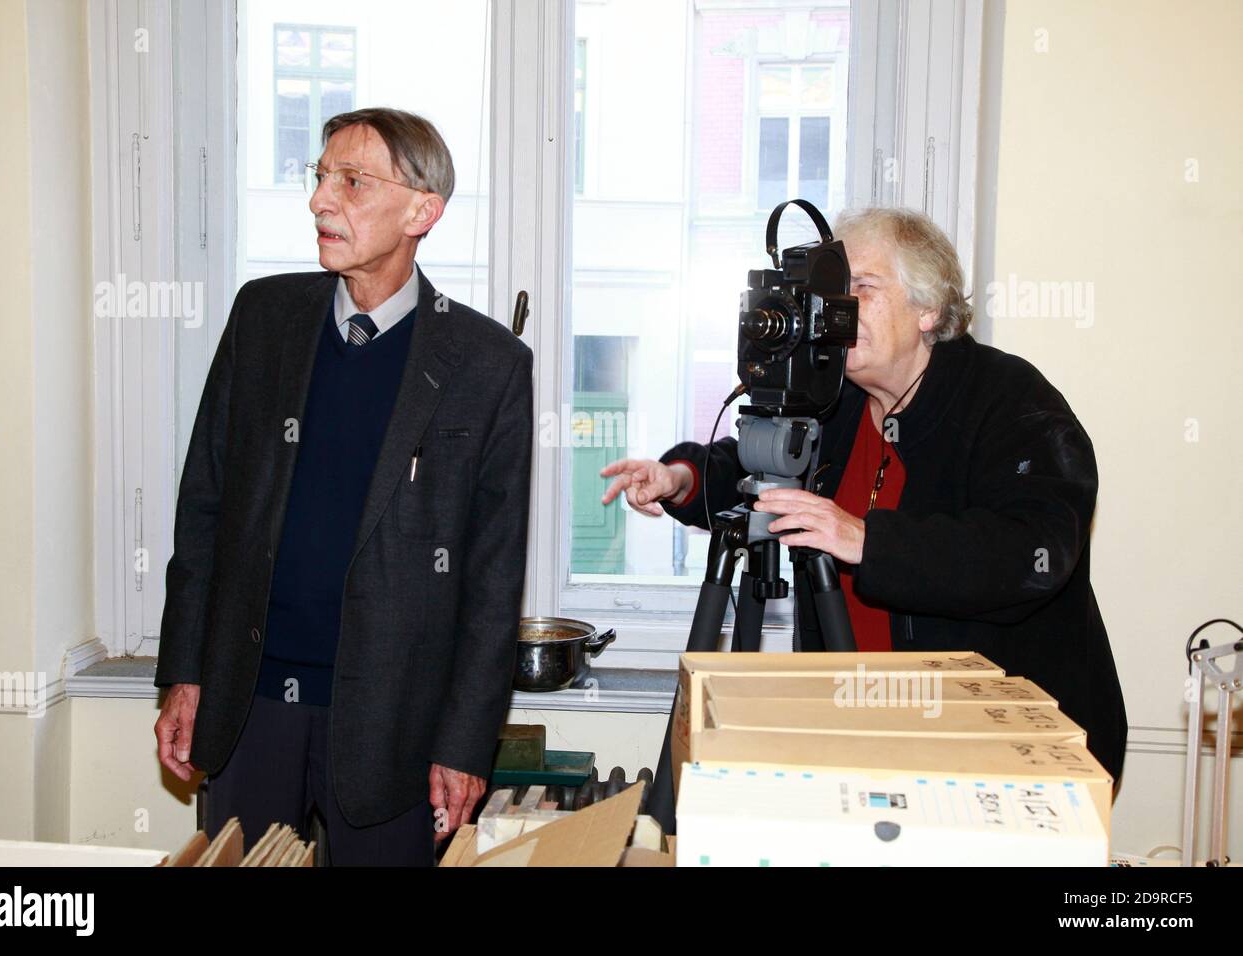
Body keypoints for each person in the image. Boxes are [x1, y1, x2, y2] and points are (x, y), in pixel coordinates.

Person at [601, 206, 1127, 788]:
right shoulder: (839, 397)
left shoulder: (1010, 402)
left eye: (862, 288)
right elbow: (763, 464)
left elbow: (1033, 553)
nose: (836, 309)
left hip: (1005, 743)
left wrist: (867, 539)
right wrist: (681, 479)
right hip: (865, 730)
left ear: (928, 308)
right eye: (831, 289)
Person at [153, 108, 534, 865]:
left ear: (422, 211)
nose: (321, 200)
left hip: (393, 723)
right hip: (248, 705)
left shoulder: (488, 364)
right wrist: (184, 672)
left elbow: (494, 580)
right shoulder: (263, 317)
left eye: (352, 182)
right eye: (321, 176)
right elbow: (204, 505)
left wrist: (465, 744)